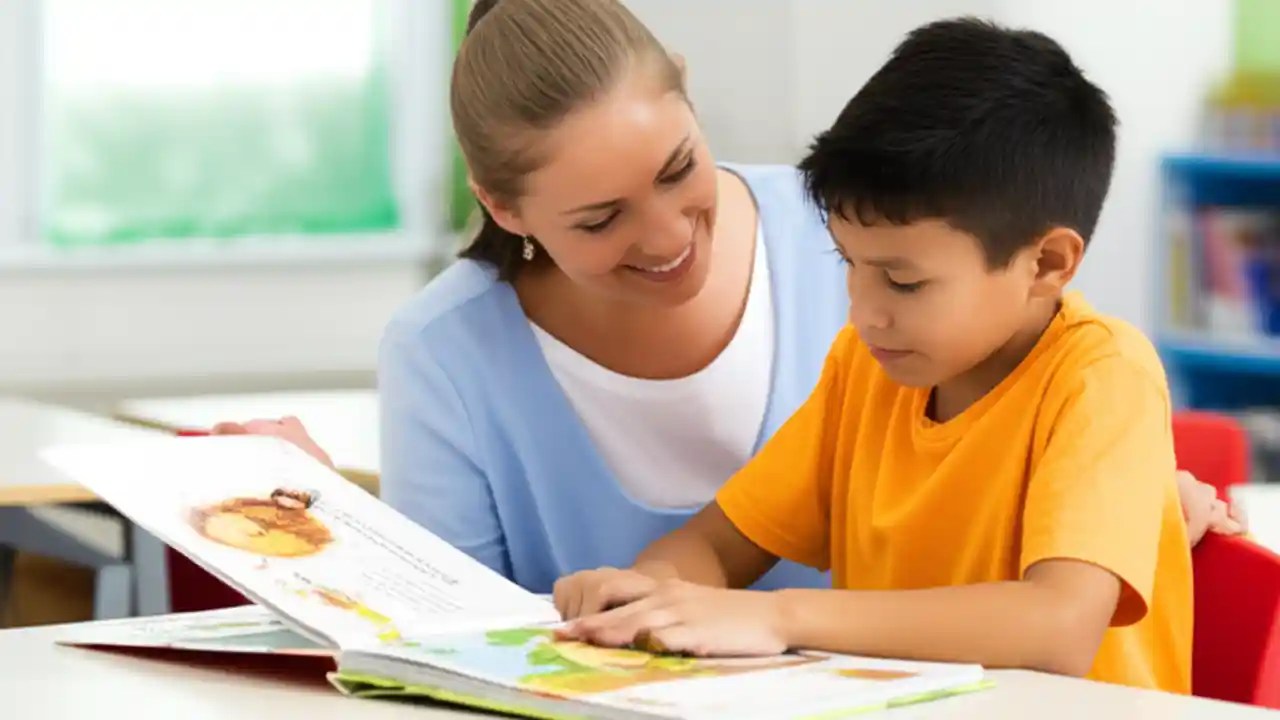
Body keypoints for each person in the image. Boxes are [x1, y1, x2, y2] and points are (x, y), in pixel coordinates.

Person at [215, 0, 1241, 596]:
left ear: (693, 101)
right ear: (502, 207)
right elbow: (452, 639)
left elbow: (1032, 403)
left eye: (675, 170)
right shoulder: (445, 349)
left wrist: (1139, 490)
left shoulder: (857, 233)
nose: (664, 240)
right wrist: (348, 537)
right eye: (597, 219)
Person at [553, 18, 1195, 693]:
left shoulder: (1103, 376)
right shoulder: (868, 366)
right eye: (849, 263)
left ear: (1047, 263)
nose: (864, 309)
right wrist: (650, 595)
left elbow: (1058, 625)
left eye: (904, 281)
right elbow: (716, 544)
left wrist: (780, 616)